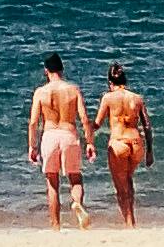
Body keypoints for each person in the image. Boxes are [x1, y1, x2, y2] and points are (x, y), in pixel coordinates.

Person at [27, 52, 91, 229]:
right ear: (62, 69)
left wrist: (32, 146)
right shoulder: (73, 90)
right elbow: (84, 118)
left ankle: (56, 225)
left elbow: (33, 122)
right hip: (69, 134)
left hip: (50, 135)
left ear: (46, 71)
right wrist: (90, 142)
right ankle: (77, 202)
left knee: (52, 182)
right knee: (75, 178)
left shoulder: (41, 92)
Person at [94, 59, 153, 227]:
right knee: (128, 179)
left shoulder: (108, 98)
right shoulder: (137, 98)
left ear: (110, 82)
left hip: (118, 142)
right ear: (125, 81)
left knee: (121, 188)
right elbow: (147, 126)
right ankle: (131, 218)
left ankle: (129, 222)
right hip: (136, 143)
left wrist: (86, 131)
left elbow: (98, 123)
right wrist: (150, 152)